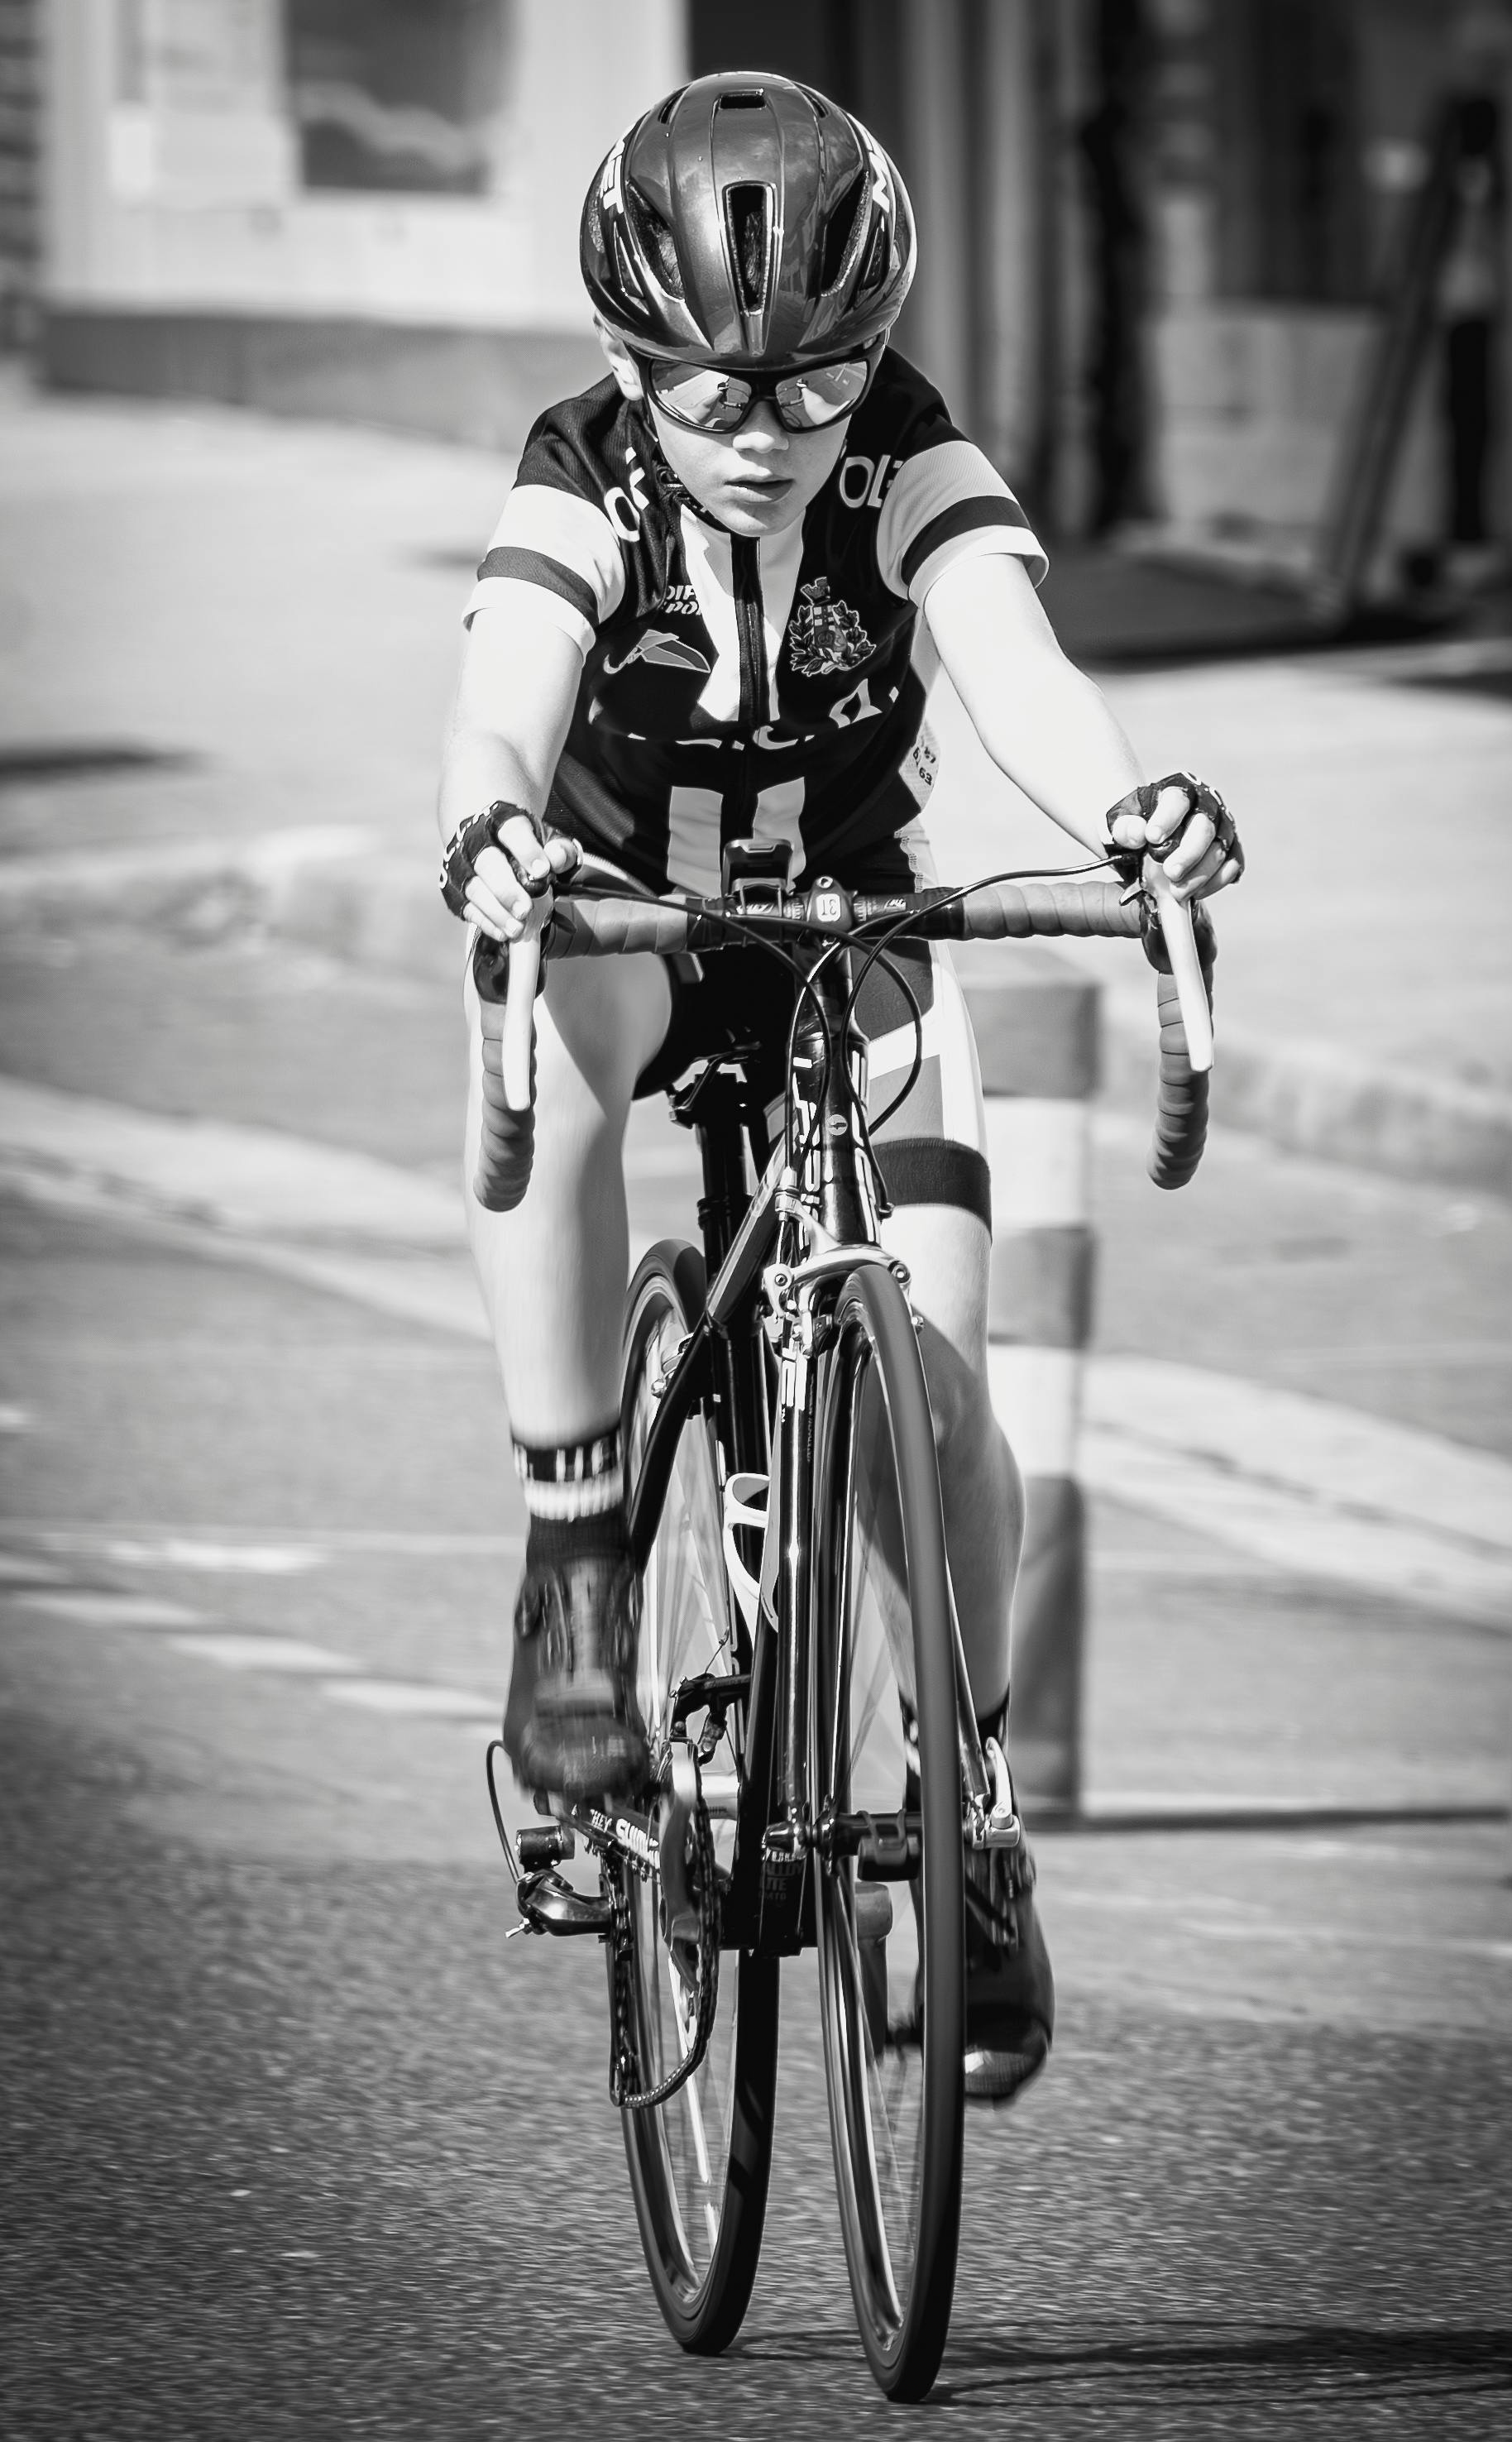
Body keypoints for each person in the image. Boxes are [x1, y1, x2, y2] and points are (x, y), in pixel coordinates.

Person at [438, 71, 1242, 2103]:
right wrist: (492, 831)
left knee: (943, 1416)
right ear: (634, 359)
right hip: (626, 927)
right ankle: (573, 1561)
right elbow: (504, 692)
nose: (762, 434)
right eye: (712, 391)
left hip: (858, 935)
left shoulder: (908, 460)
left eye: (814, 386)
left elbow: (1013, 658)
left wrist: (1127, 805)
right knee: (529, 1026)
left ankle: (958, 1818)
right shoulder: (581, 478)